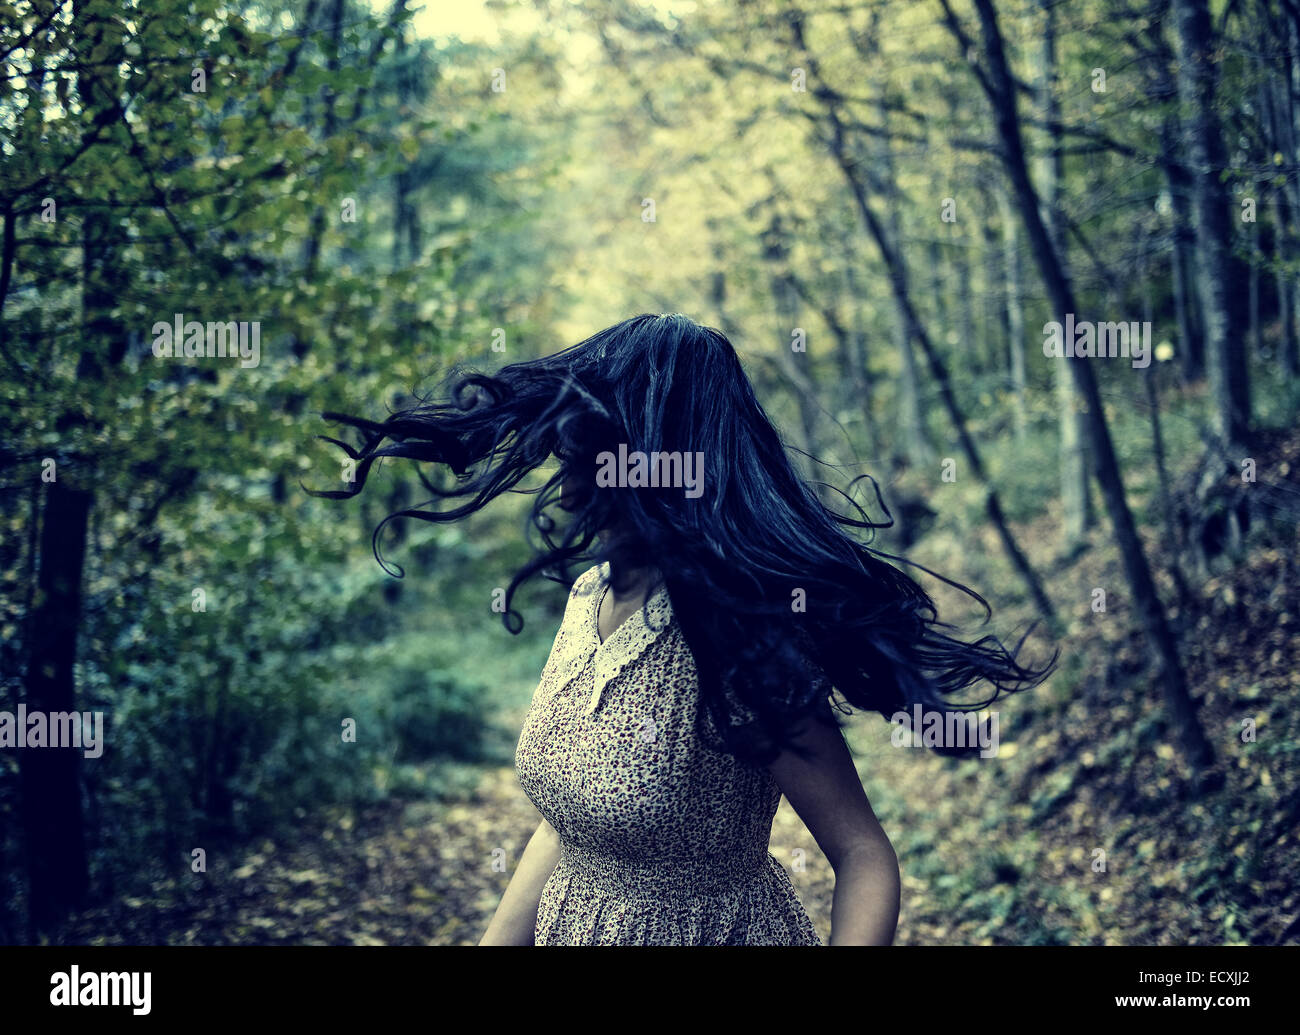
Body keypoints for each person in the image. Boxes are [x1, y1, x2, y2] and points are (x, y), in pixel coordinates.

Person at [313, 313, 1054, 945]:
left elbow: (863, 852)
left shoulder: (734, 632)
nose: (561, 458)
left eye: (583, 437)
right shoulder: (587, 596)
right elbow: (571, 829)